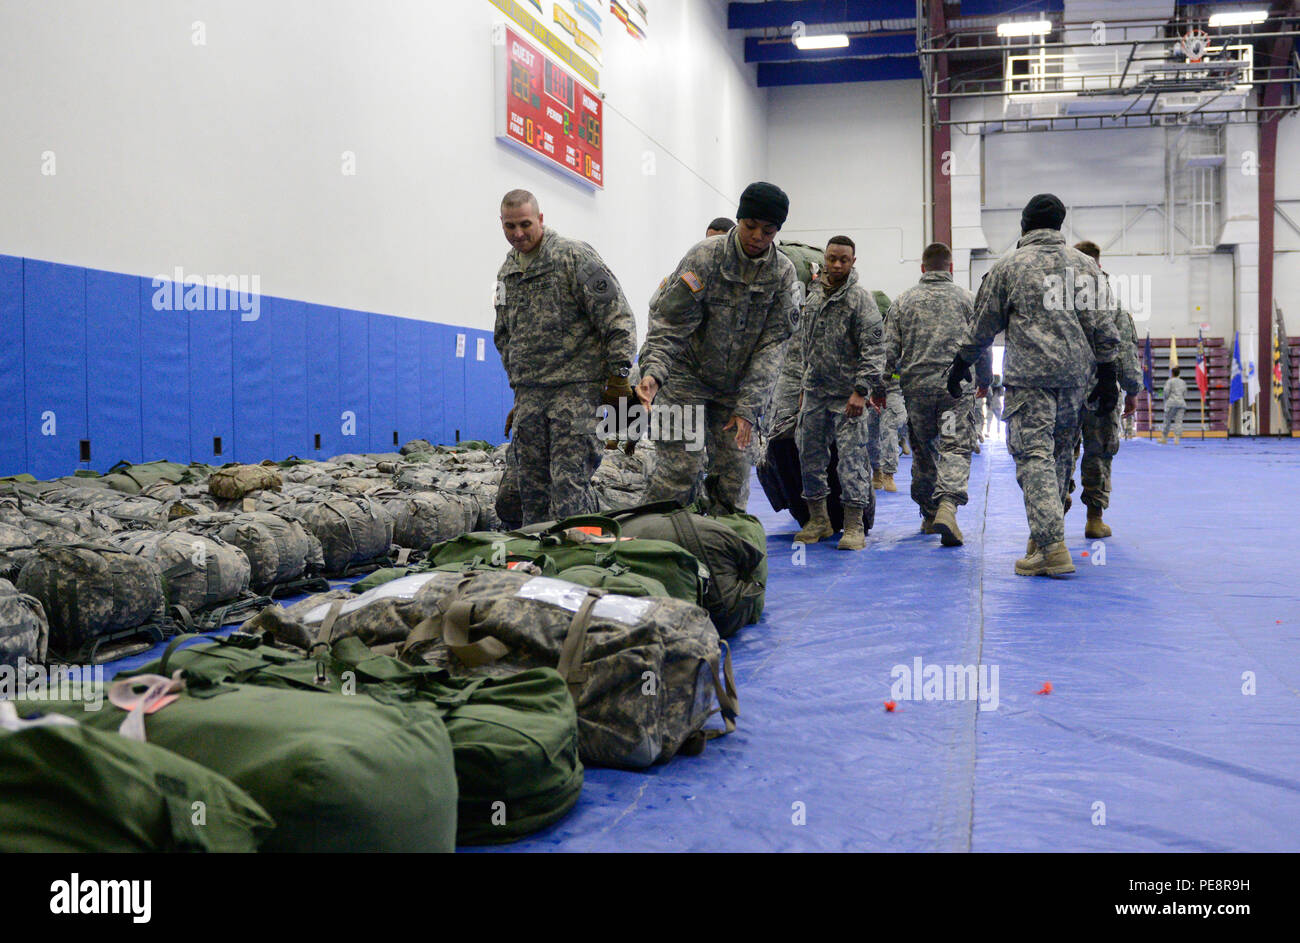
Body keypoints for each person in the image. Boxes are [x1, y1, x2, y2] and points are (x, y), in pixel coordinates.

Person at [954, 194, 1119, 577]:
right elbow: (1104, 326)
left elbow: (982, 325)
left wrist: (961, 362)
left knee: (1034, 458)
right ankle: (1042, 539)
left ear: (1024, 224)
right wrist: (1108, 376)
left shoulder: (1009, 266)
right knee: (1060, 456)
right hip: (1076, 379)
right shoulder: (1085, 267)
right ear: (1061, 224)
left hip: (1031, 379)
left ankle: (1051, 548)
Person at [636, 182, 800, 510]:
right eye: (750, 226)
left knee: (734, 475)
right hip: (685, 378)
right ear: (739, 220)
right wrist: (653, 373)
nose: (756, 237)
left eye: (767, 231)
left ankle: (723, 549)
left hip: (736, 388)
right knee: (680, 470)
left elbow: (772, 347)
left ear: (777, 231)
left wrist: (748, 408)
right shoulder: (704, 258)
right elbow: (670, 323)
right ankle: (656, 546)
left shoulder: (782, 274)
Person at [494, 189, 637, 525]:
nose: (518, 233)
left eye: (525, 224)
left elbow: (618, 317)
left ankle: (584, 561)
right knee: (530, 490)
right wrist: (520, 389)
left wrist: (618, 380)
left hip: (578, 392)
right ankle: (539, 565)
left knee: (569, 486)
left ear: (540, 219)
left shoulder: (573, 257)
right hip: (531, 397)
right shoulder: (505, 274)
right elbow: (503, 334)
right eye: (509, 226)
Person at [885, 242, 990, 546]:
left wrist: (880, 387)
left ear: (922, 268)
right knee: (954, 446)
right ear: (951, 267)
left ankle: (930, 514)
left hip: (917, 392)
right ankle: (947, 506)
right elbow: (980, 343)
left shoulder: (903, 301)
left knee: (923, 451)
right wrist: (984, 380)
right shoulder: (967, 299)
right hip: (954, 392)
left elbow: (889, 350)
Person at [791, 236, 887, 550]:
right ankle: (819, 520)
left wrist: (861, 391)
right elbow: (805, 346)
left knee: (852, 461)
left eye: (843, 260)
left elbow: (874, 350)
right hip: (816, 392)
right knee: (809, 457)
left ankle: (853, 526)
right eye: (832, 258)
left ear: (852, 262)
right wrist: (804, 387)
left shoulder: (861, 299)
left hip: (849, 398)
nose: (836, 264)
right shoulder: (814, 297)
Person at [1071, 241, 1143, 538]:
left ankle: (1052, 519)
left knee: (1060, 454)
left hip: (1063, 391)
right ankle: (1094, 518)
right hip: (1102, 391)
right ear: (1099, 266)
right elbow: (1125, 349)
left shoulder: (1057, 303)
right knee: (1099, 452)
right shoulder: (1112, 306)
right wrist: (1132, 389)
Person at [1160, 366, 1188, 444]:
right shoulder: (1183, 382)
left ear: (1172, 373)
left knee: (1167, 421)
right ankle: (1176, 439)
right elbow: (1185, 393)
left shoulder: (1169, 381)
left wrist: (1166, 399)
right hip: (1181, 403)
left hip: (1171, 403)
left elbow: (1166, 392)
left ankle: (1164, 438)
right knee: (1178, 421)